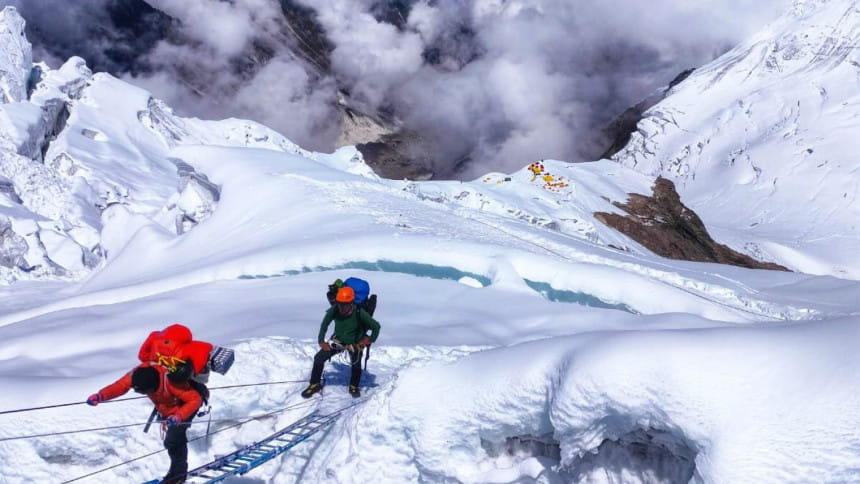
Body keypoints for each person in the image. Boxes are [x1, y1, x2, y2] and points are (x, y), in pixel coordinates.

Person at [87, 364, 203, 484]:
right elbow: (120, 386)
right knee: (172, 442)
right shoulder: (137, 375)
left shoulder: (170, 382)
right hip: (169, 412)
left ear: (153, 386)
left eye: (146, 392)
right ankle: (175, 473)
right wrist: (100, 396)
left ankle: (179, 475)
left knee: (173, 440)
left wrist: (179, 416)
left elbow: (195, 399)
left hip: (184, 408)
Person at [301, 286, 381, 398]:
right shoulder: (335, 309)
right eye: (340, 304)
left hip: (355, 342)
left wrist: (369, 339)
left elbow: (376, 327)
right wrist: (321, 341)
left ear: (351, 303)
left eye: (345, 304)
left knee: (356, 364)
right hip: (339, 341)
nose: (342, 307)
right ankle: (314, 384)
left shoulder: (359, 312)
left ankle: (353, 386)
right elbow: (324, 324)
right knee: (319, 358)